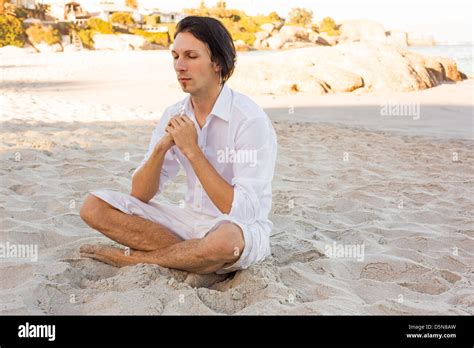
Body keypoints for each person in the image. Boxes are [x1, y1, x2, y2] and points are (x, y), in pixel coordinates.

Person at [79, 16, 278, 274]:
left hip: (238, 228)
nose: (180, 66)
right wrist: (162, 148)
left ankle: (133, 260)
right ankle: (195, 258)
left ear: (217, 62)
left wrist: (192, 151)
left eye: (191, 56)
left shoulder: (250, 120)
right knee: (93, 206)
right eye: (175, 56)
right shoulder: (175, 113)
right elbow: (140, 194)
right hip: (188, 223)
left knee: (225, 242)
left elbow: (244, 211)